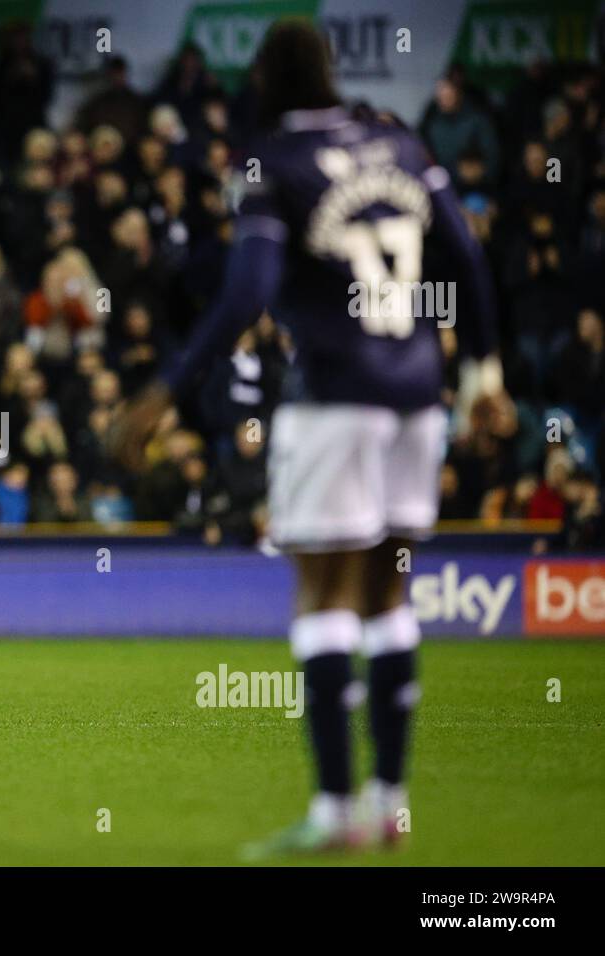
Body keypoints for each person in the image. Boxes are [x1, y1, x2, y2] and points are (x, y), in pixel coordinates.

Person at [126, 22, 504, 855]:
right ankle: (391, 805)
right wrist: (484, 374)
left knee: (324, 598)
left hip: (333, 398)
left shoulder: (270, 160)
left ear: (266, 79)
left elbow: (248, 291)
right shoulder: (397, 141)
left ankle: (336, 812)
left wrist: (165, 389)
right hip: (418, 397)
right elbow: (468, 256)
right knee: (389, 597)